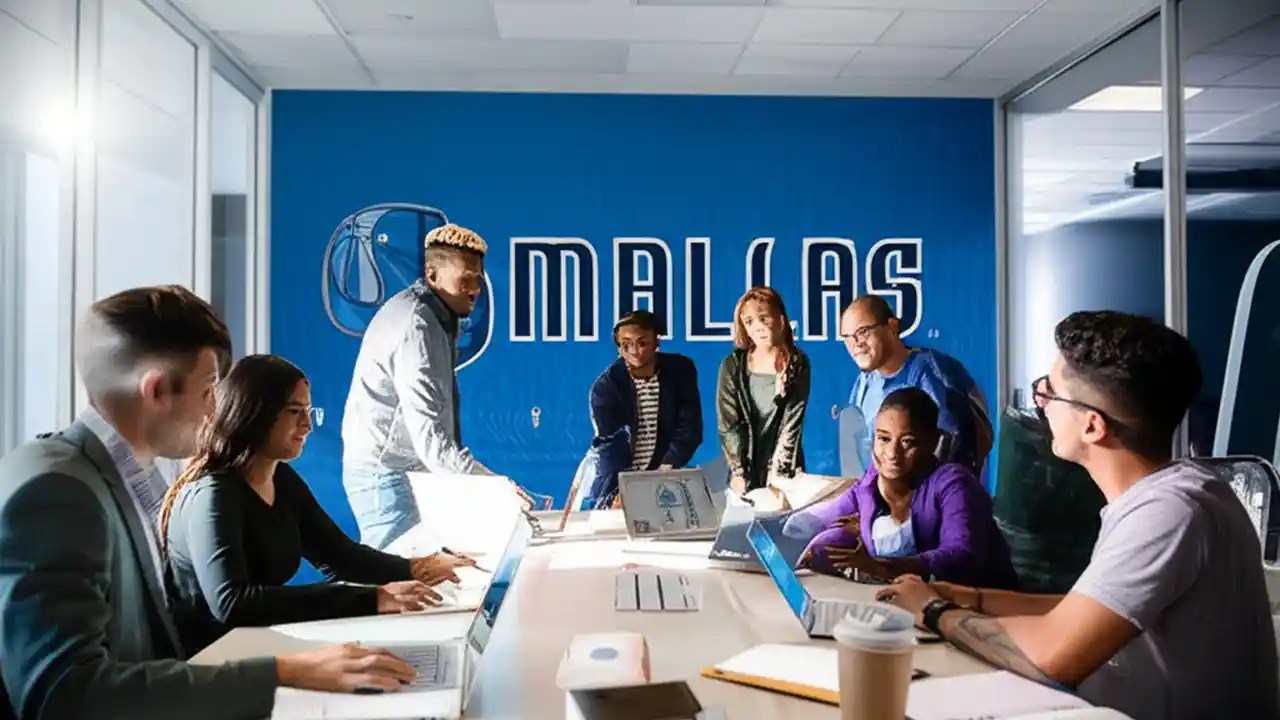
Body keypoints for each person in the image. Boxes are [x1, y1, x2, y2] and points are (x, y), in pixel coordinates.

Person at [0, 286, 418, 720]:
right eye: (208, 390)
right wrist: (284, 672)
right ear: (157, 390)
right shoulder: (59, 490)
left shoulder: (110, 477)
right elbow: (67, 694)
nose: (215, 410)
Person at [877, 310, 1278, 720]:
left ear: (1092, 426)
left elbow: (1055, 654)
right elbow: (1084, 612)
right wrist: (972, 599)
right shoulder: (1169, 495)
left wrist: (930, 610)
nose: (1040, 401)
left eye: (1050, 391)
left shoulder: (1170, 512)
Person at [160, 355, 478, 653]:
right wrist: (373, 599)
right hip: (210, 661)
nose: (308, 426)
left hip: (255, 645)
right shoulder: (213, 494)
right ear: (255, 414)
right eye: (295, 412)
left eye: (308, 412)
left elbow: (338, 555)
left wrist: (418, 568)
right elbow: (233, 603)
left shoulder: (280, 478)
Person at [342, 223, 531, 550]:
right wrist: (497, 489)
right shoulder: (417, 324)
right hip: (386, 477)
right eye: (466, 278)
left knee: (424, 579)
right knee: (400, 584)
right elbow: (431, 438)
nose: (475, 289)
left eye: (479, 279)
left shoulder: (438, 315)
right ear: (432, 275)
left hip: (407, 471)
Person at [798, 388, 1017, 589]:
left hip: (977, 609)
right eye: (884, 439)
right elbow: (821, 516)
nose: (892, 453)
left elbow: (962, 555)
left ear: (933, 441)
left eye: (907, 442)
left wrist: (884, 566)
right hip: (909, 599)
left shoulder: (954, 484)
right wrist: (786, 536)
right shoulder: (873, 481)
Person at [842, 295, 991, 474]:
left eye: (863, 331)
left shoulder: (931, 372)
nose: (856, 344)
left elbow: (951, 449)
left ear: (892, 327)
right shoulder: (864, 383)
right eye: (848, 337)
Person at [582, 310, 703, 508]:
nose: (635, 351)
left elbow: (689, 427)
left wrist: (666, 469)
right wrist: (620, 490)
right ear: (618, 348)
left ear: (657, 341)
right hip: (619, 482)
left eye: (642, 342)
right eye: (626, 344)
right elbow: (610, 445)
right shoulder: (606, 387)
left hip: (665, 474)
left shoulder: (680, 370)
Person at [716, 287, 810, 495]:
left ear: (782, 320)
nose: (757, 327)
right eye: (749, 321)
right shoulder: (732, 366)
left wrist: (780, 476)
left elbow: (792, 425)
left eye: (763, 318)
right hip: (743, 463)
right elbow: (728, 424)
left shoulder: (798, 363)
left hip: (785, 464)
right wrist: (739, 472)